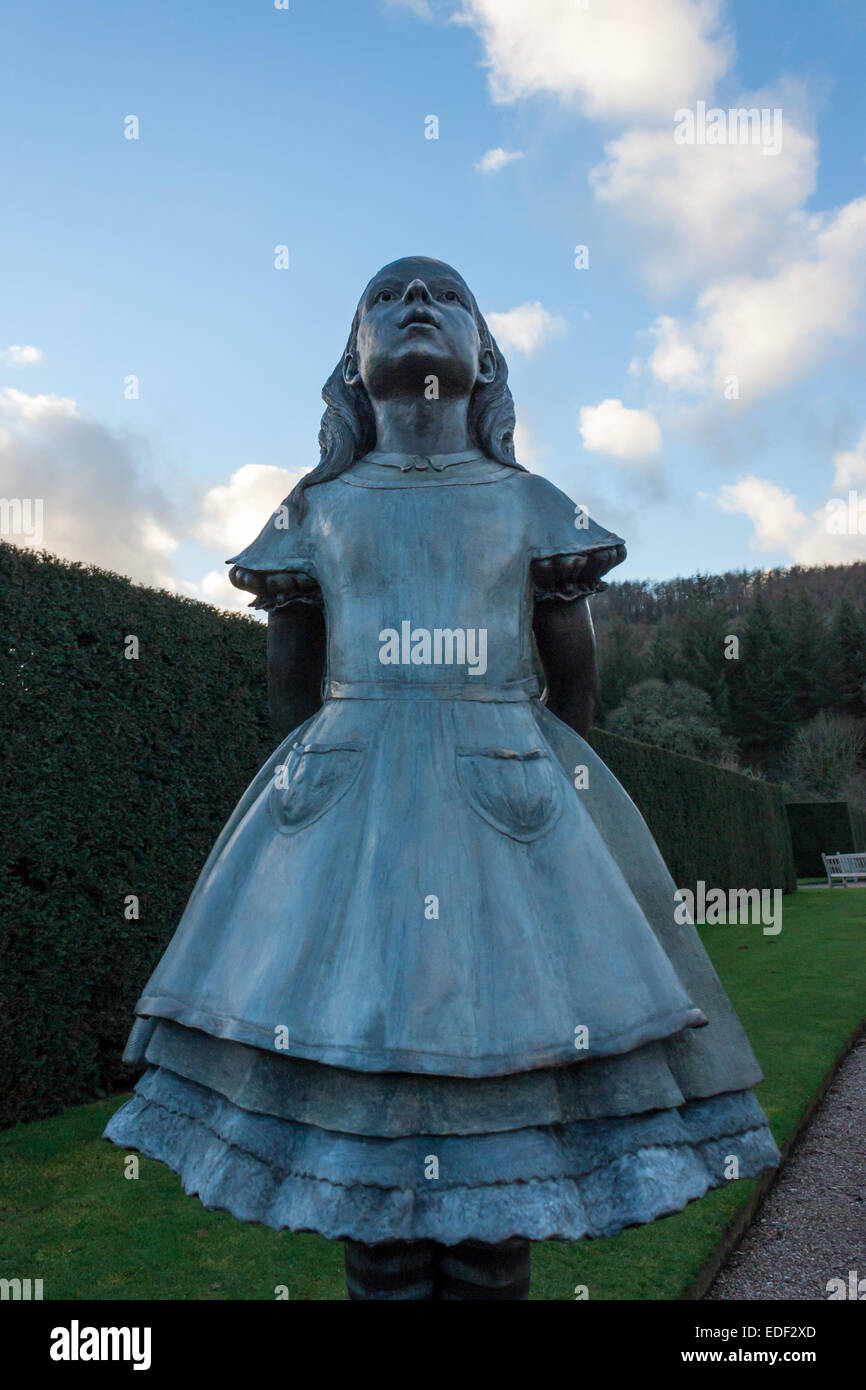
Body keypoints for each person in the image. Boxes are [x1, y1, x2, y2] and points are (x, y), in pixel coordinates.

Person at [105, 257, 779, 1300]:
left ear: (484, 361)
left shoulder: (530, 504)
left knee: (493, 1198)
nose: (414, 302)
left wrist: (527, 796)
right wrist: (322, 808)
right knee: (368, 1174)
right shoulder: (315, 512)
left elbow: (573, 691)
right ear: (352, 364)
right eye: (385, 296)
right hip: (344, 813)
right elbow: (293, 703)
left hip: (507, 814)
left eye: (444, 294)